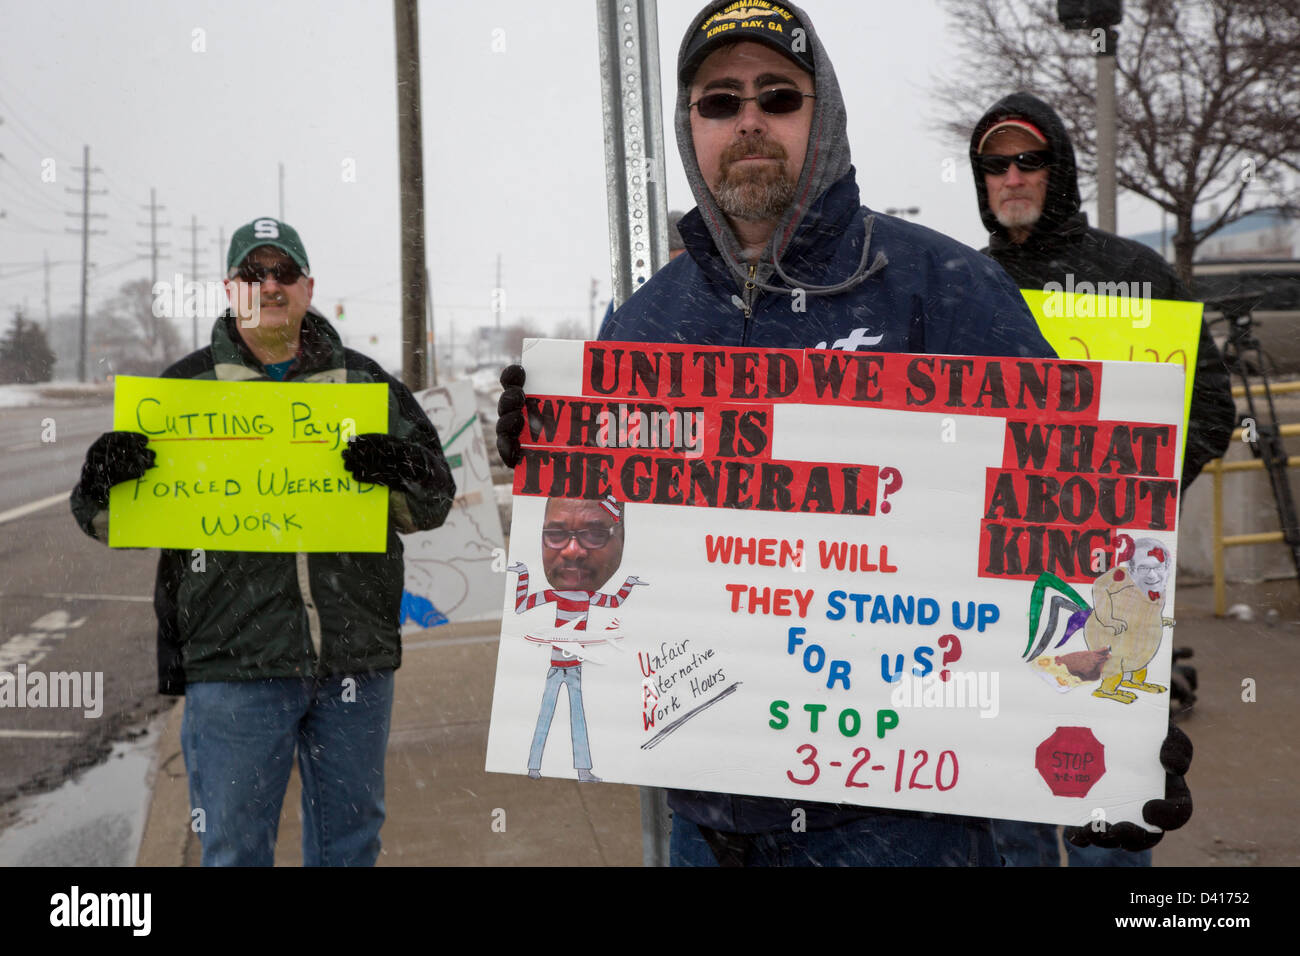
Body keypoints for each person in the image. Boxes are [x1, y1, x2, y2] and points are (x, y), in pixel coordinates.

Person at [499, 0, 1185, 867]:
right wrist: (545, 462)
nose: (749, 120)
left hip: (905, 817)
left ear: (823, 114)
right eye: (720, 101)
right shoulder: (645, 324)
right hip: (704, 820)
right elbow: (599, 554)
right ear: (690, 127)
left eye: (778, 96)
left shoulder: (942, 286)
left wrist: (1116, 724)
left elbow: (1076, 517)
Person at [70, 216, 456, 866]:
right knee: (235, 852)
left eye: (283, 272)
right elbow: (104, 518)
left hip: (351, 663)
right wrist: (103, 480)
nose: (269, 285)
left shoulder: (366, 386)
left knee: (351, 847)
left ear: (307, 286)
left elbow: (433, 502)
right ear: (230, 286)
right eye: (254, 273)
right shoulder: (180, 392)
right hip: (234, 665)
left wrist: (407, 470)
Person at [970, 94, 1223, 866]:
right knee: (1005, 799)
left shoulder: (1137, 275)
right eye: (994, 163)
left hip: (1118, 576)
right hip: (1001, 581)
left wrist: (1142, 492)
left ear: (1061, 169)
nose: (1012, 175)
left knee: (1109, 804)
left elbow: (1210, 403)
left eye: (1030, 159)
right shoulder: (960, 282)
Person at [508, 494, 646, 782]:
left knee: (575, 718)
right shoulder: (559, 594)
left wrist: (631, 583)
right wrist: (522, 574)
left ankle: (579, 769)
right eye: (556, 534)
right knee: (547, 717)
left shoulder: (586, 596)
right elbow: (521, 605)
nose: (573, 551)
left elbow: (615, 602)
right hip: (559, 667)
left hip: (573, 669)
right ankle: (534, 765)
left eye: (595, 534)